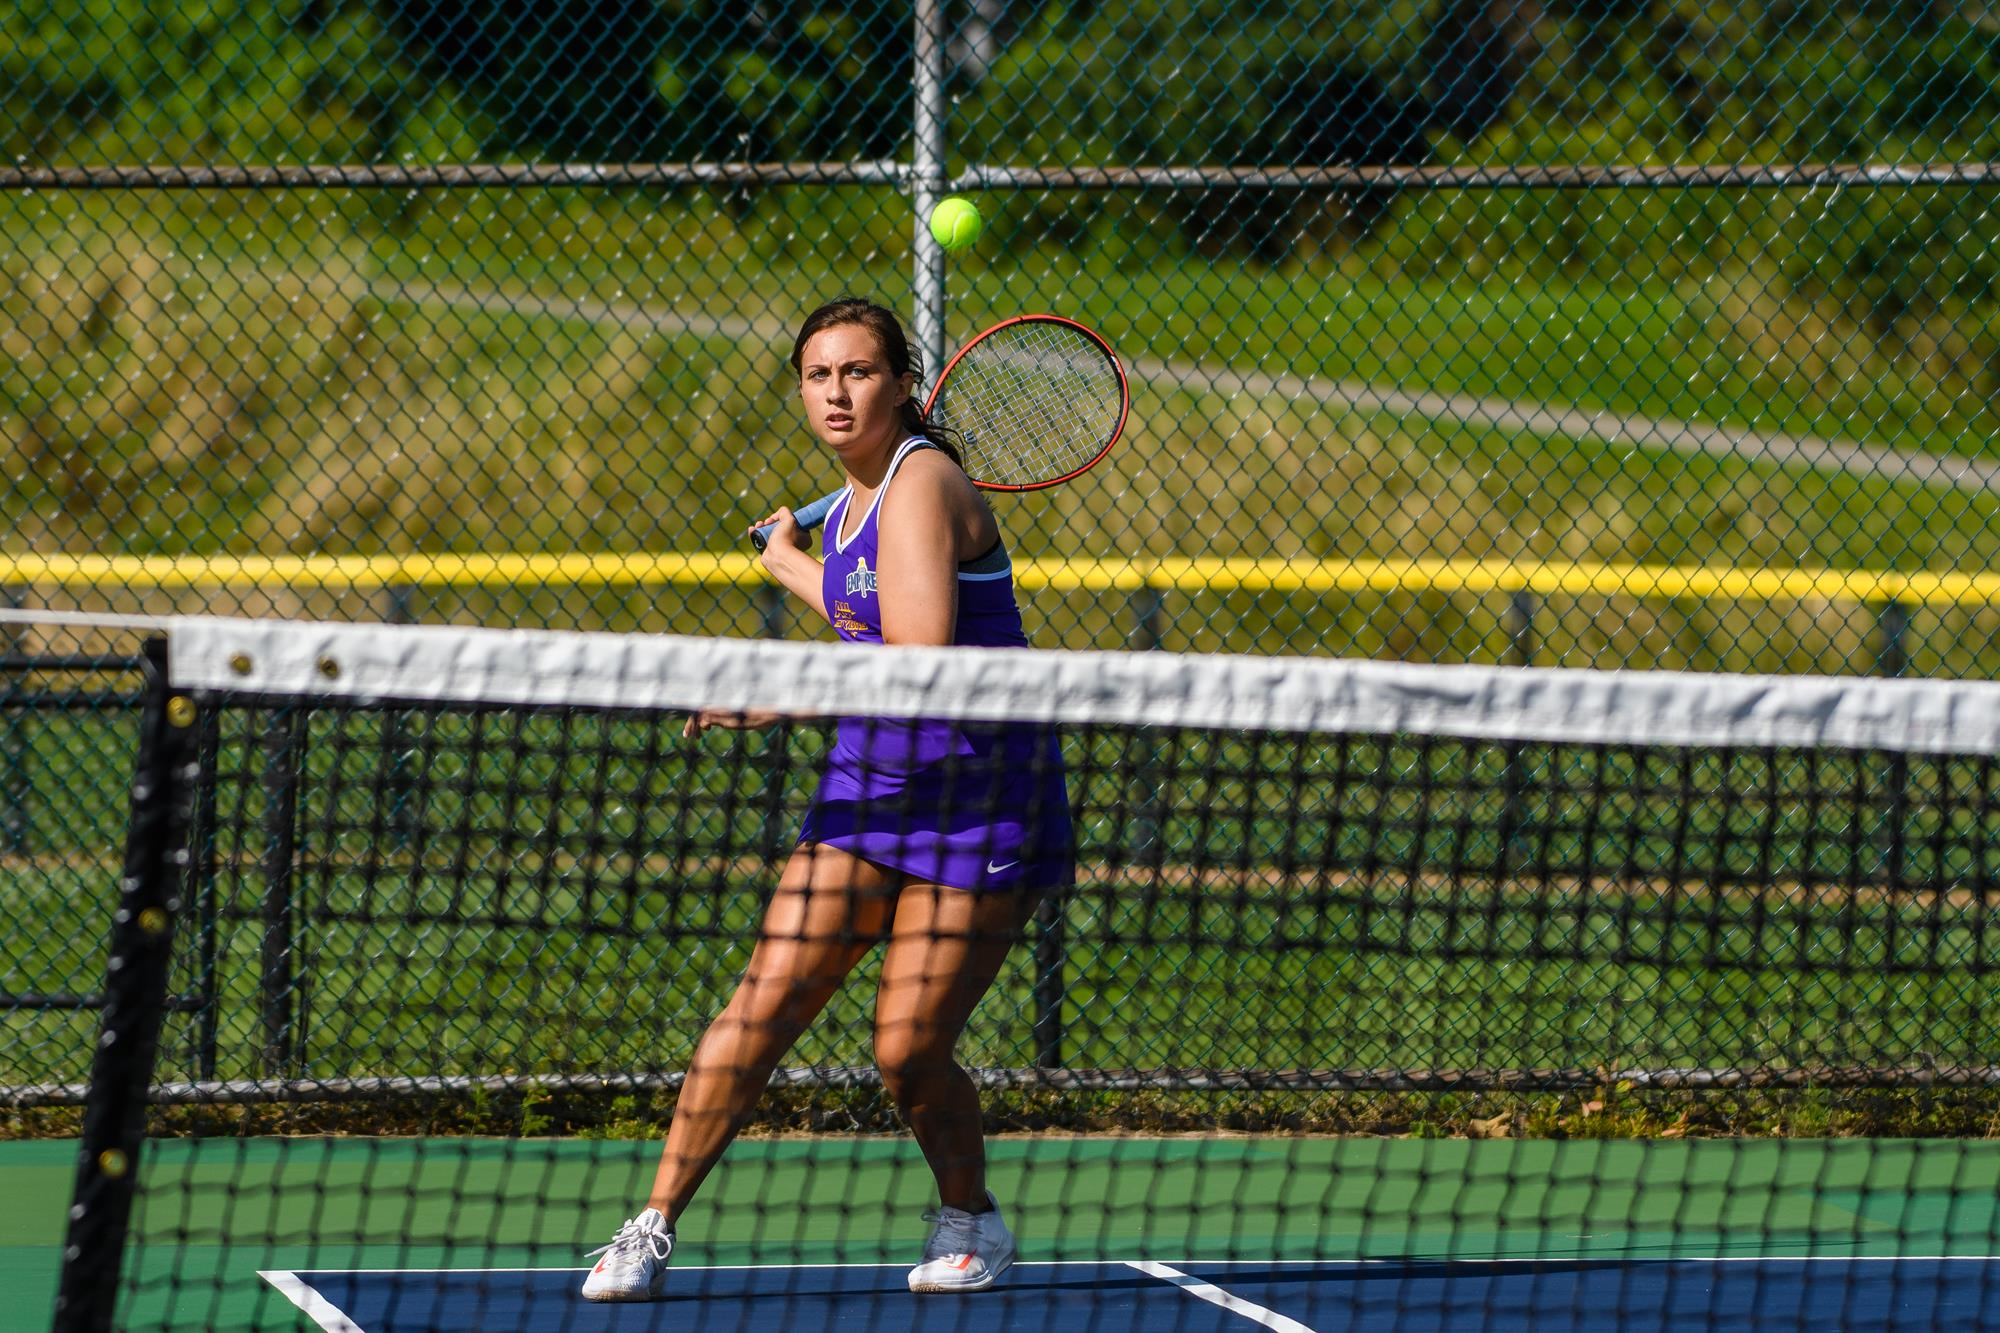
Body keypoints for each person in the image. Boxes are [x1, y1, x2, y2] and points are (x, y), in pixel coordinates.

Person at [580, 297, 1072, 1302]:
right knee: (761, 1004)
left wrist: (773, 695)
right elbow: (869, 610)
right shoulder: (847, 508)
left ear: (902, 383)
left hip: (981, 795)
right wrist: (794, 564)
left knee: (905, 1048)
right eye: (818, 375)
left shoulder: (924, 484)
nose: (837, 393)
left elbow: (919, 657)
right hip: (871, 783)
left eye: (857, 372)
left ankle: (971, 1216)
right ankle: (651, 1223)